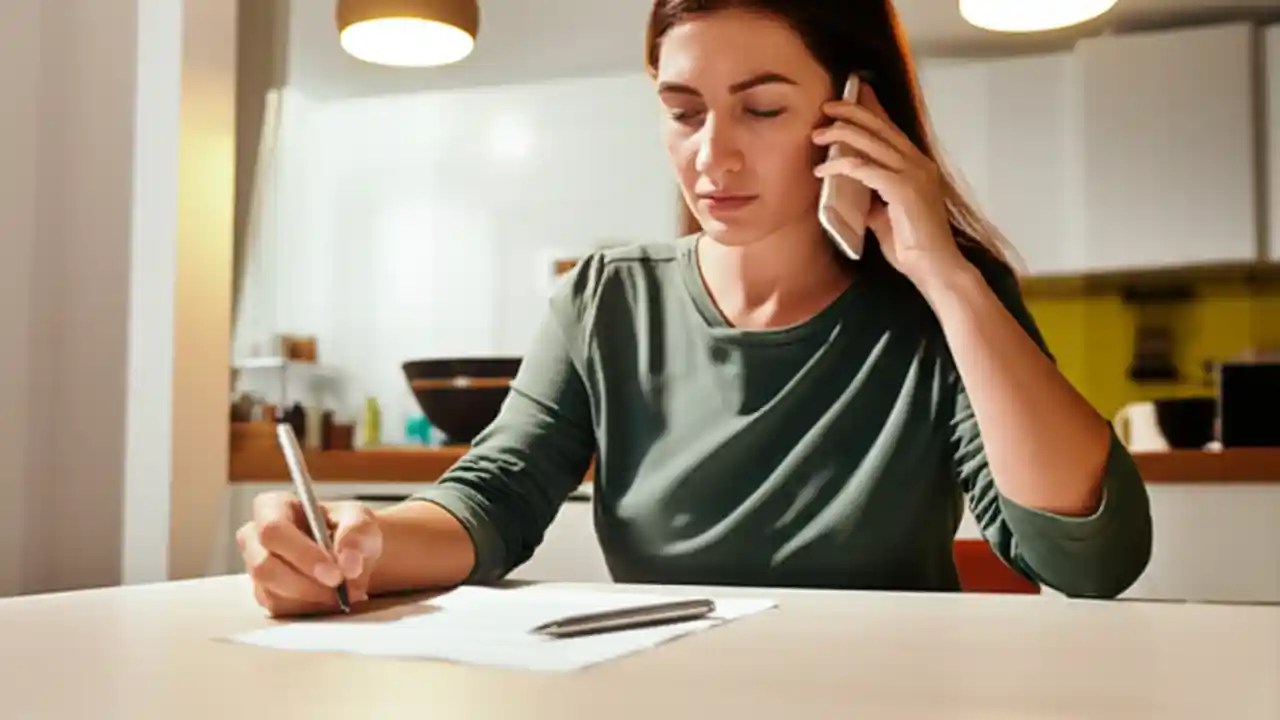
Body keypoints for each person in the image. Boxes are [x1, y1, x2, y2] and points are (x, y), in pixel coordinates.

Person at [237, 0, 1152, 617]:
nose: (713, 157)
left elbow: (1091, 562)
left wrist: (945, 276)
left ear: (855, 112)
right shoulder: (608, 297)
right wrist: (359, 543)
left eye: (762, 110)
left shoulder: (940, 305)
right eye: (684, 112)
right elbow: (497, 496)